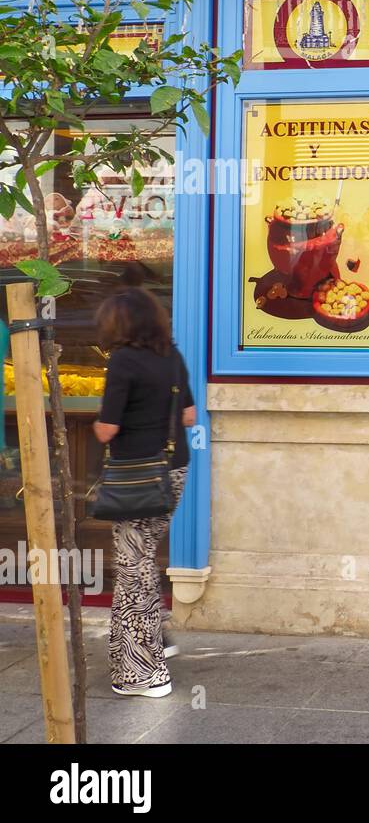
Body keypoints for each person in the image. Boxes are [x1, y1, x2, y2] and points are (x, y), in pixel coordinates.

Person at [93, 288, 195, 698]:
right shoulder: (171, 357)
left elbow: (107, 427)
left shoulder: (122, 361)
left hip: (135, 475)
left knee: (132, 569)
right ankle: (157, 640)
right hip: (172, 471)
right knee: (143, 558)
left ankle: (144, 673)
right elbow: (188, 415)